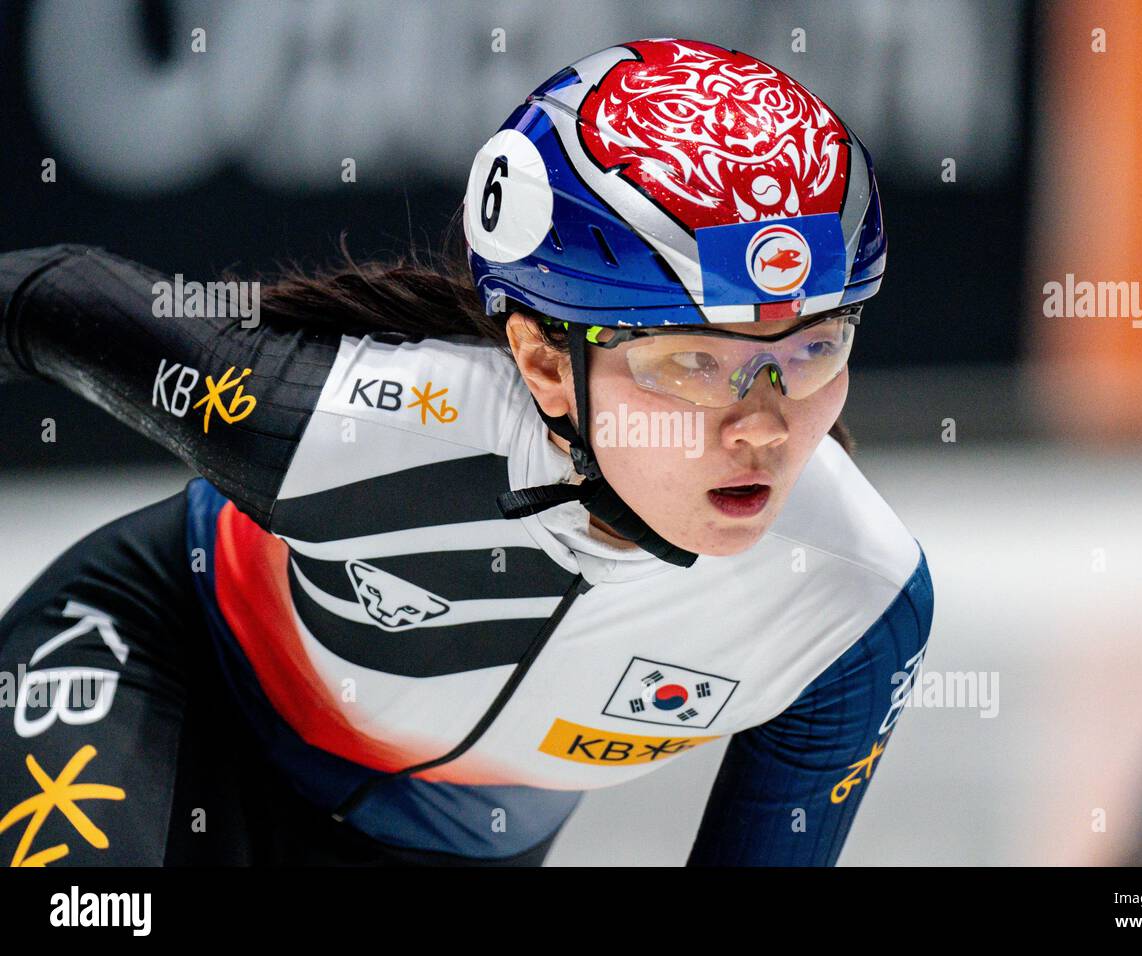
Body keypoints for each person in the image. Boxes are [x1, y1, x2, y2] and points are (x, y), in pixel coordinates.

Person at [0, 37, 933, 866]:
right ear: (544, 360)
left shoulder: (855, 602)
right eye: (694, 362)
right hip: (167, 676)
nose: (765, 427)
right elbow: (43, 297)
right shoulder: (350, 420)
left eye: (815, 350)